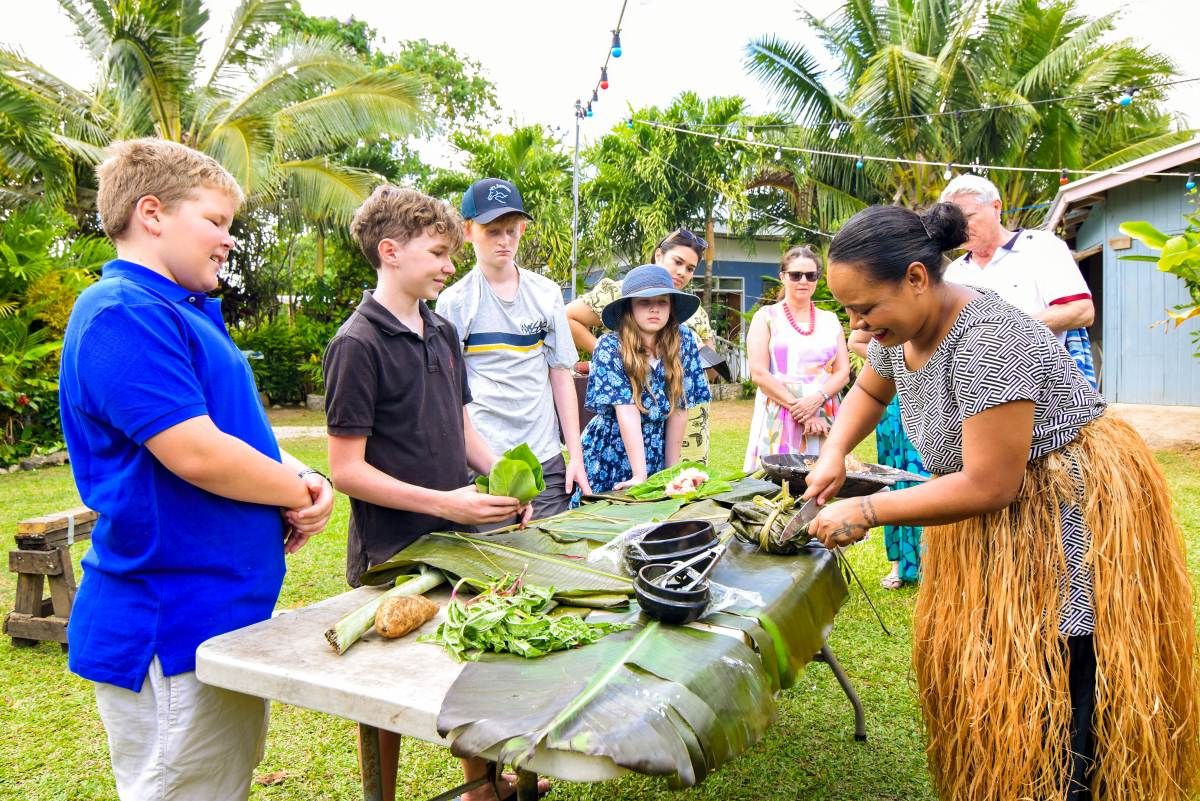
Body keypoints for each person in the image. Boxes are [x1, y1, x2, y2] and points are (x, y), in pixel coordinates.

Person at [804, 203, 1199, 800]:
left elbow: (992, 485)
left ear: (916, 277)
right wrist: (834, 451)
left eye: (865, 308)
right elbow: (871, 387)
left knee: (1064, 672)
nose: (858, 325)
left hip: (1063, 512)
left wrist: (865, 510)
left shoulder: (991, 338)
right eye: (850, 311)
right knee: (992, 672)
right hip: (988, 519)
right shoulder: (903, 328)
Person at [58, 138, 335, 801]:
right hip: (170, 619)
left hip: (216, 613)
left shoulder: (178, 310)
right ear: (151, 213)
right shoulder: (123, 312)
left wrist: (306, 481)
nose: (228, 241)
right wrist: (295, 488)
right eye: (215, 221)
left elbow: (236, 433)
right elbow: (196, 451)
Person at [324, 184, 540, 801]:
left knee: (468, 661)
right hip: (392, 549)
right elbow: (346, 469)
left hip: (457, 538)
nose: (451, 265)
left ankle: (483, 785)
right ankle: (381, 793)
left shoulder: (443, 330)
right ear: (390, 251)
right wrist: (447, 501)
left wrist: (502, 478)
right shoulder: (356, 345)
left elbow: (463, 426)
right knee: (385, 685)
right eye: (439, 252)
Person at [434, 178, 589, 519]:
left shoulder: (546, 293)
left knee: (551, 561)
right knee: (494, 566)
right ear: (469, 230)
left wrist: (574, 456)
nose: (504, 240)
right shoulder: (454, 302)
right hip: (484, 459)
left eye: (512, 230)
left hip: (544, 458)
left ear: (522, 229)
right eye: (492, 231)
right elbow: (447, 392)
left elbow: (560, 377)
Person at [566, 228, 717, 462]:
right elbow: (569, 317)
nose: (682, 272)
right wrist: (617, 361)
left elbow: (710, 361)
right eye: (677, 262)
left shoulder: (694, 313)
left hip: (680, 407)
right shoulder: (621, 290)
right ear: (659, 255)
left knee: (679, 484)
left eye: (690, 268)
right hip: (629, 412)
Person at [940, 174, 1098, 388]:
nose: (962, 227)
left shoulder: (1041, 247)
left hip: (1044, 386)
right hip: (978, 389)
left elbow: (1081, 311)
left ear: (996, 207)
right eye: (954, 222)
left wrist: (1002, 332)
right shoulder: (954, 273)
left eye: (969, 216)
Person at [581, 264, 711, 493]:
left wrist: (671, 472)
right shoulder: (610, 347)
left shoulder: (685, 341)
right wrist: (639, 474)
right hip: (613, 448)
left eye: (662, 301)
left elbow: (680, 406)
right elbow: (626, 411)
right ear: (629, 307)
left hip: (658, 446)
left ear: (671, 306)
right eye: (644, 302)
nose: (654, 309)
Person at [742, 246, 850, 471]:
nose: (803, 281)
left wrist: (817, 399)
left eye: (810, 276)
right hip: (781, 408)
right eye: (795, 275)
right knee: (776, 483)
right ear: (782, 276)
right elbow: (759, 373)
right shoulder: (766, 317)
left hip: (825, 408)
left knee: (825, 478)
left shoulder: (830, 319)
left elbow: (842, 372)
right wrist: (802, 410)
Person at [847, 329, 927, 588]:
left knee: (924, 478)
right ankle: (898, 564)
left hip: (926, 398)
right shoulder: (882, 311)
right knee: (895, 476)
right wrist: (896, 361)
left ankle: (933, 562)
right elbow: (856, 340)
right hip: (894, 403)